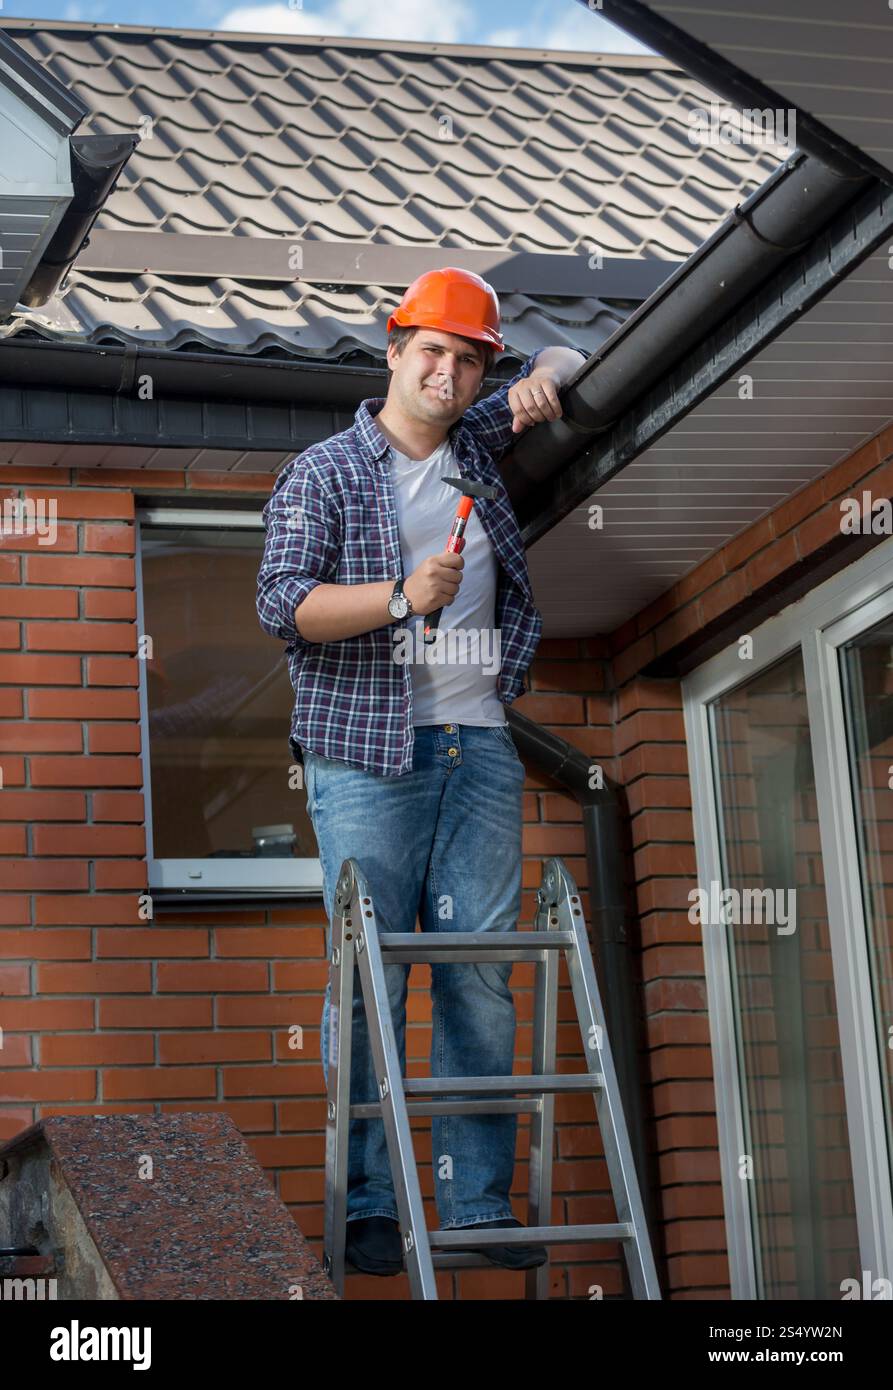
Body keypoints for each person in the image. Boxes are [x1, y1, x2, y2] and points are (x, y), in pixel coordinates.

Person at [257, 267, 587, 1276]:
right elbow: (285, 606)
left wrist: (549, 371)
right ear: (393, 353)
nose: (448, 369)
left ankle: (476, 1202)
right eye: (431, 350)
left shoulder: (474, 444)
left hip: (476, 743)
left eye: (471, 357)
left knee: (477, 973)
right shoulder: (324, 471)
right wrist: (401, 595)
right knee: (369, 977)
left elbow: (570, 360)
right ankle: (367, 1202)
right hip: (361, 752)